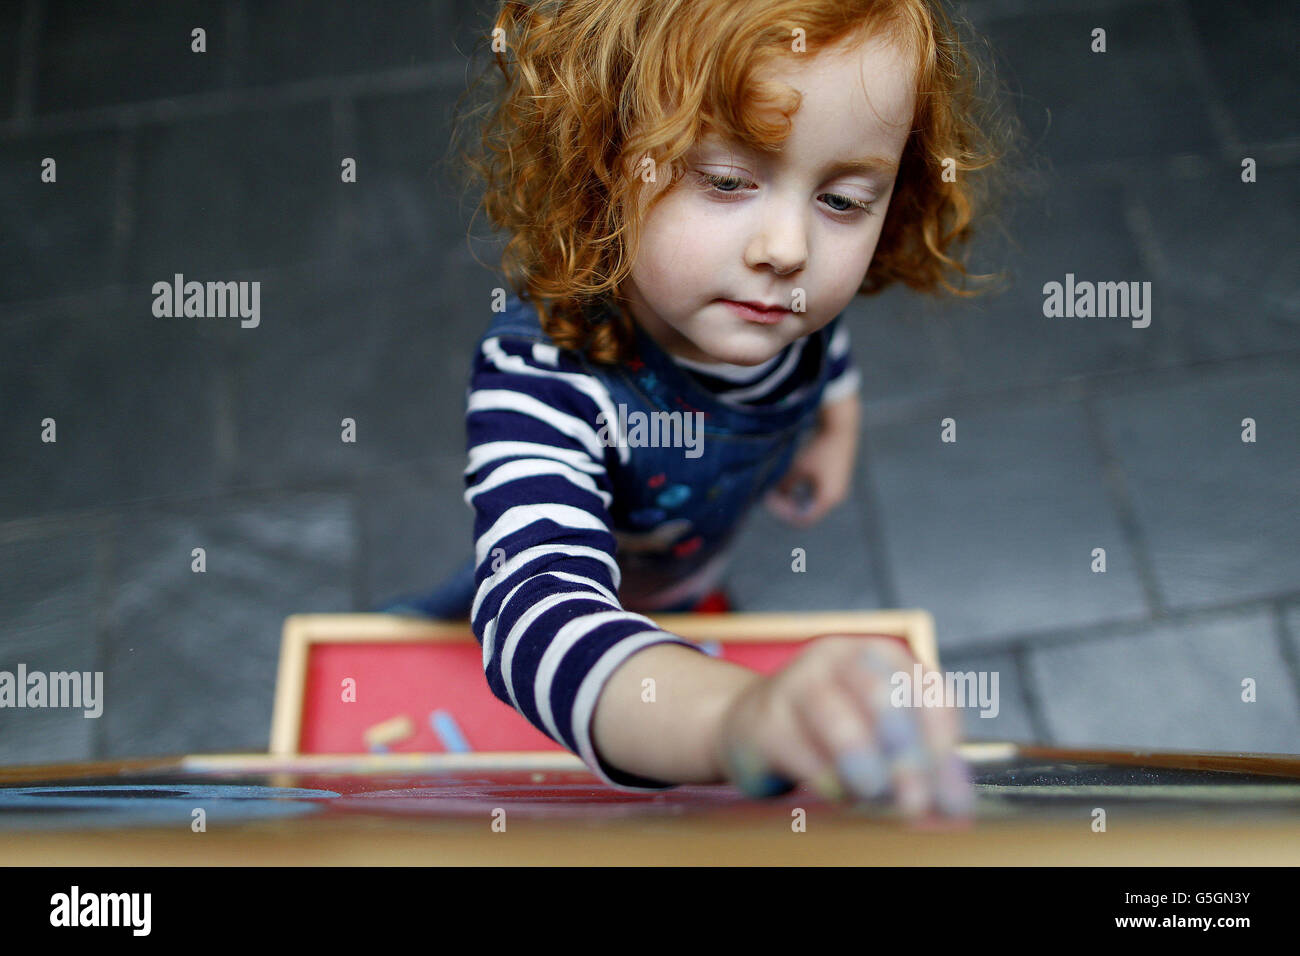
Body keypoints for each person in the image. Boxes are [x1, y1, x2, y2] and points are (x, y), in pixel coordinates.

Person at [378, 0, 1018, 818]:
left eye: (845, 200)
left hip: (689, 574)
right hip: (584, 597)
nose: (788, 249)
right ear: (605, 158)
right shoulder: (542, 372)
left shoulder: (768, 300)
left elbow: (827, 350)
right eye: (725, 180)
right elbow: (541, 616)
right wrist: (742, 718)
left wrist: (836, 424)